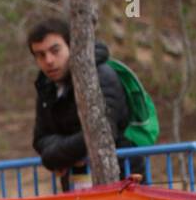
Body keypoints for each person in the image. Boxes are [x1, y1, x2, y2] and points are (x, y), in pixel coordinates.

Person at [28, 17, 143, 190]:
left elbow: (103, 133)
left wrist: (54, 156)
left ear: (72, 46)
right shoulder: (47, 87)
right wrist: (64, 153)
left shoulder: (101, 76)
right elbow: (40, 139)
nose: (49, 60)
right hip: (77, 188)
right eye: (40, 55)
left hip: (123, 182)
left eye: (55, 50)